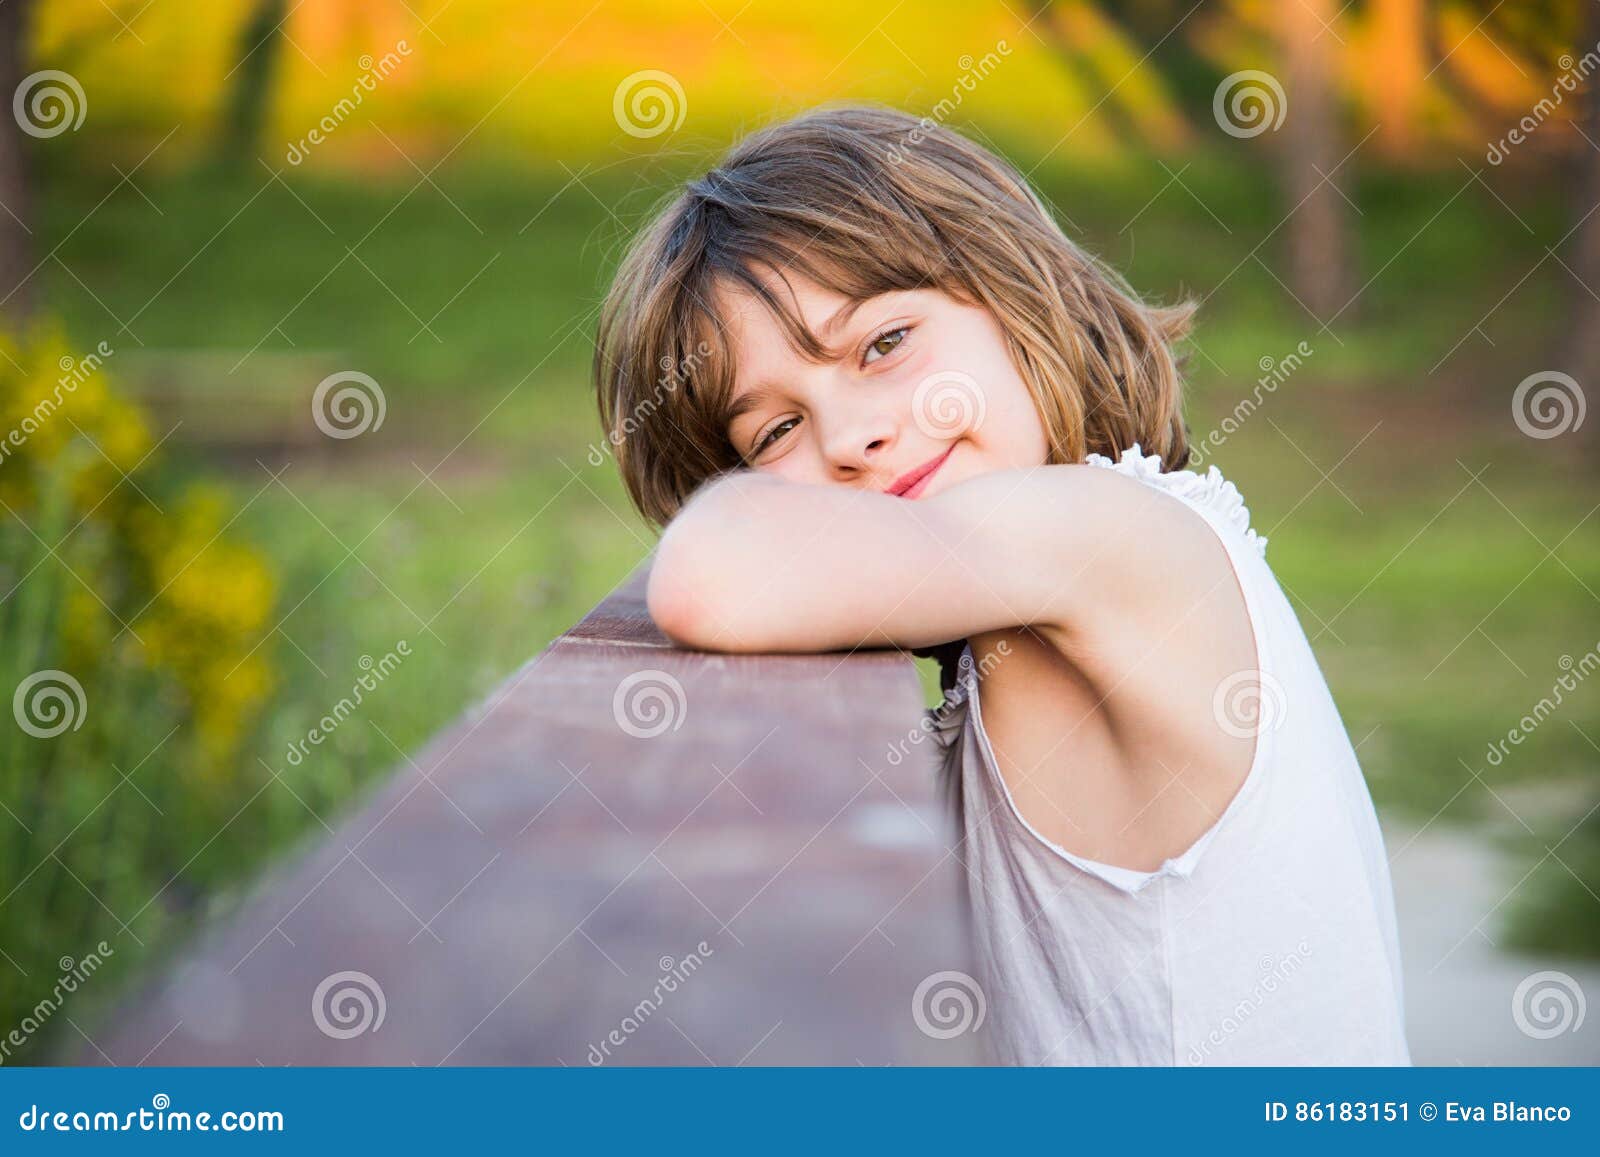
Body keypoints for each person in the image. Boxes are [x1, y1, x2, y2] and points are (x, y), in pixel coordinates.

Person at [592, 102, 1410, 1066]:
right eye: (773, 431)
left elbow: (709, 574)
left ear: (1014, 292)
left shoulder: (1107, 536)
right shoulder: (1016, 610)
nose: (851, 435)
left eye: (883, 344)